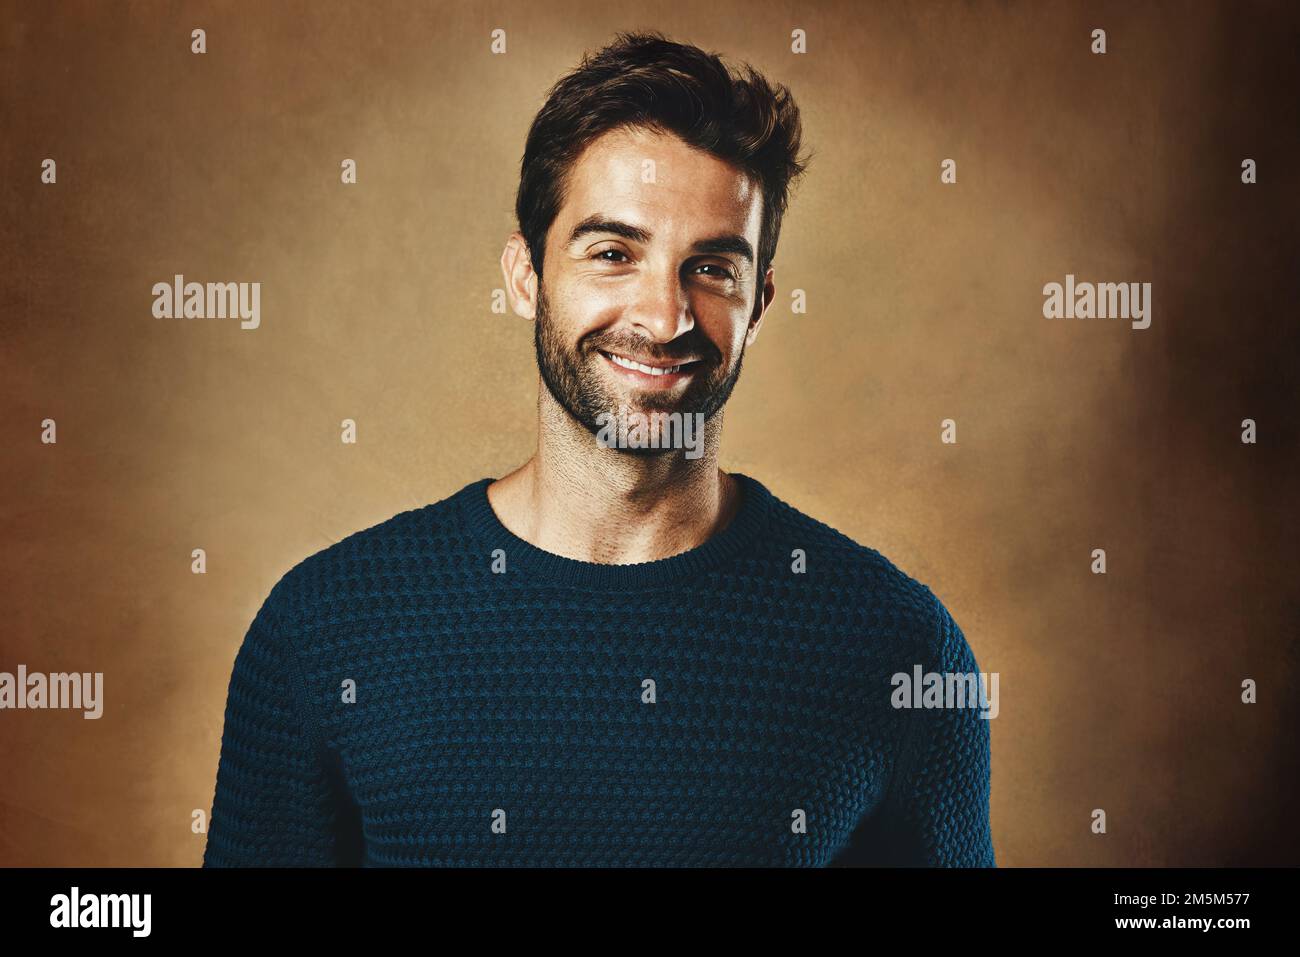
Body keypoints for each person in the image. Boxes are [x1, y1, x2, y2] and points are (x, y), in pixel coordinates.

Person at [202, 30, 995, 868]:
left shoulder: (898, 649)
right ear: (524, 274)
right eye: (613, 253)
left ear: (759, 303)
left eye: (713, 269)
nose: (662, 318)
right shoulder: (327, 628)